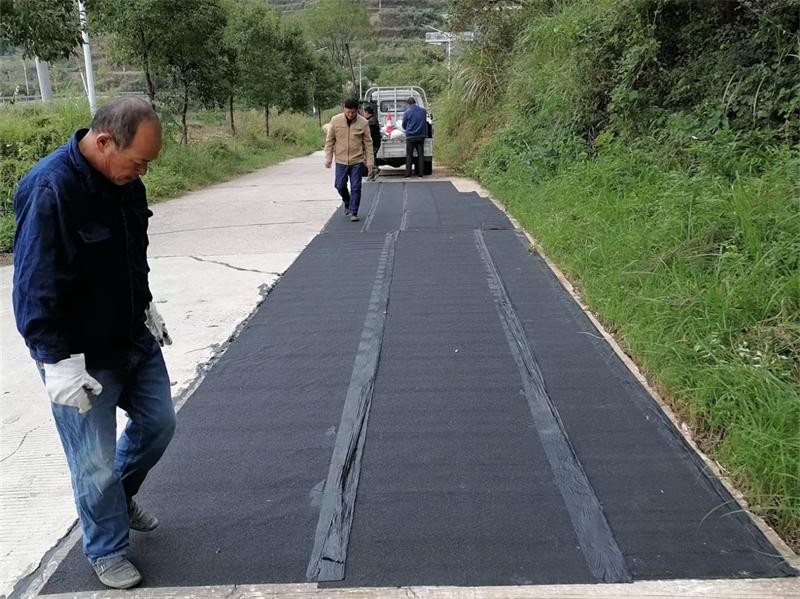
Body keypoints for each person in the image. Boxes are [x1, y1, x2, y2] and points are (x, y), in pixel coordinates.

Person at [12, 97, 175, 590]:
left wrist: (145, 304)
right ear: (104, 142)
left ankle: (116, 501)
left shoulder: (127, 183)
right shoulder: (51, 189)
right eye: (138, 161)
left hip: (130, 337)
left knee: (159, 425)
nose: (143, 171)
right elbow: (34, 284)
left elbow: (132, 253)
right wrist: (55, 360)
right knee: (94, 463)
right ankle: (106, 549)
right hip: (78, 354)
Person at [324, 98, 374, 222]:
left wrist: (370, 162)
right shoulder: (335, 120)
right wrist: (328, 158)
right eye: (348, 112)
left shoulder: (363, 123)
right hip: (341, 160)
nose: (350, 115)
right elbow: (330, 141)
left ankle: (353, 211)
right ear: (344, 109)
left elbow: (368, 143)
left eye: (353, 112)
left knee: (356, 186)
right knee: (339, 185)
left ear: (357, 111)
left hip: (357, 160)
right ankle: (347, 201)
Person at [401, 96, 428, 178]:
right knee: (421, 155)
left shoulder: (407, 112)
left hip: (410, 137)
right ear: (415, 102)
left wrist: (408, 129)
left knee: (409, 155)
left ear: (408, 104)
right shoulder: (423, 111)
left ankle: (408, 174)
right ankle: (421, 174)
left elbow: (404, 125)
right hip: (421, 136)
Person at [363, 104, 381, 181]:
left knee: (368, 159)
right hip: (375, 143)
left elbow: (368, 133)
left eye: (364, 112)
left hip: (373, 143)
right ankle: (372, 175)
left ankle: (374, 170)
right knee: (372, 158)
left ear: (367, 112)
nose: (363, 114)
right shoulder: (372, 119)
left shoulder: (371, 122)